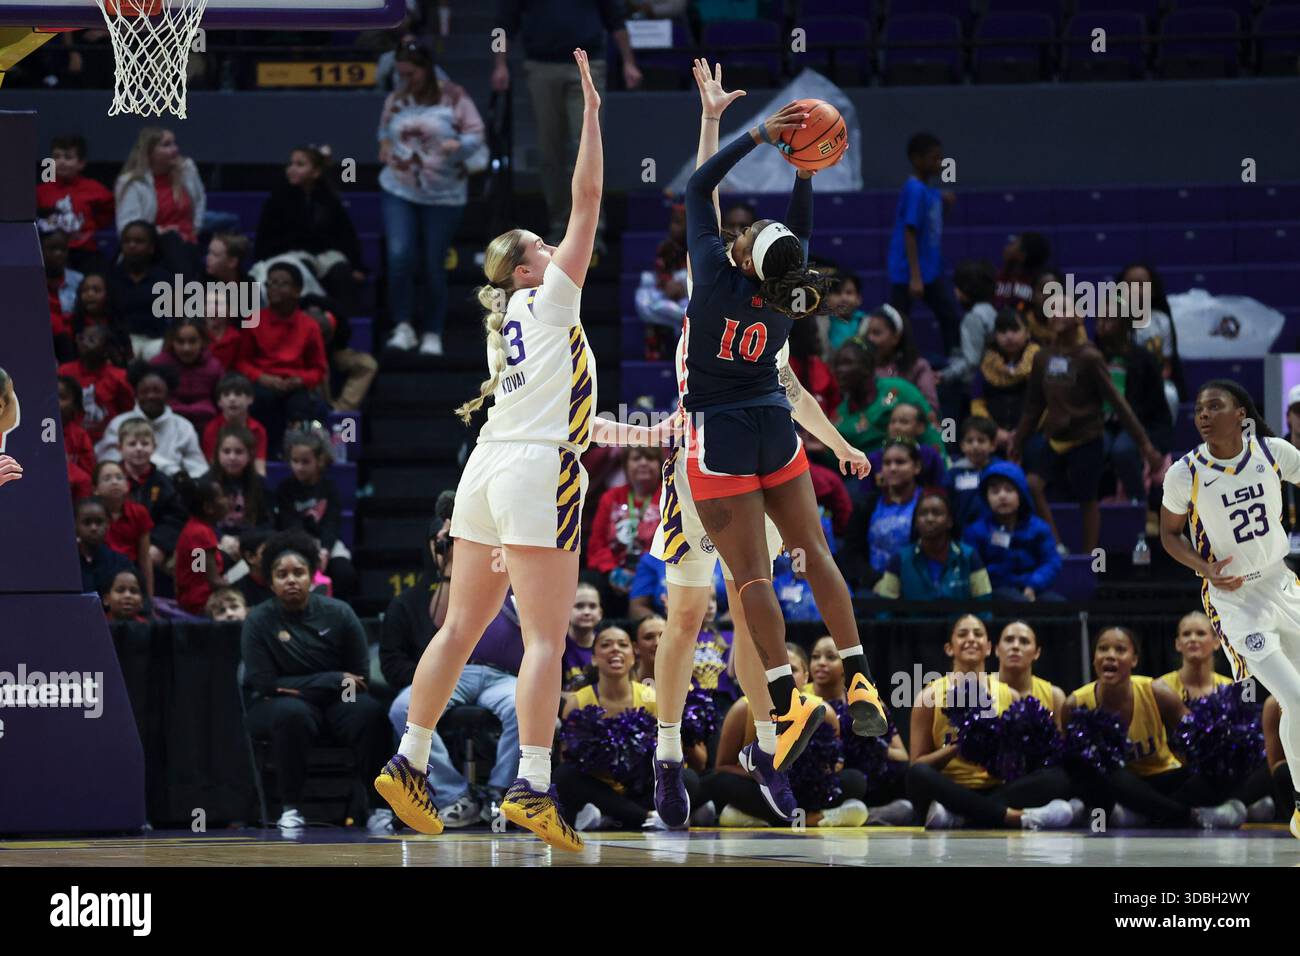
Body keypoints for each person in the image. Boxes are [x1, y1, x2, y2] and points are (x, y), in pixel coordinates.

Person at [375, 51, 671, 851]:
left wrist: (644, 434)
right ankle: (533, 784)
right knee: (544, 639)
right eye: (544, 244)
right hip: (538, 472)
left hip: (489, 467)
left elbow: (570, 419)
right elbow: (587, 196)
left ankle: (409, 760)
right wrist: (593, 118)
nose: (558, 246)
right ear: (530, 266)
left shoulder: (510, 323)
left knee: (460, 628)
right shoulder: (552, 294)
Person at [644, 60, 881, 830]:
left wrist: (836, 441)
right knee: (690, 617)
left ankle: (767, 739)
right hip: (718, 451)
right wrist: (724, 122)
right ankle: (669, 749)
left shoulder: (720, 278)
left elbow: (699, 194)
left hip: (727, 442)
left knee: (750, 608)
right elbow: (712, 203)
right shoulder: (786, 290)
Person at [1159, 378, 1300, 837]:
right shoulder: (1186, 472)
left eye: (1213, 406)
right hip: (1235, 600)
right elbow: (1168, 536)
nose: (1202, 415)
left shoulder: (1273, 452)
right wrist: (1205, 567)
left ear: (1240, 414)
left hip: (1282, 583)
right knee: (1292, 697)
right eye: (1198, 408)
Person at [241, 530, 395, 834]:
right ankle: (290, 808)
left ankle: (378, 808)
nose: (291, 580)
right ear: (270, 581)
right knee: (291, 714)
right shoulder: (258, 621)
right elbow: (264, 683)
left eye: (298, 572)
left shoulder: (339, 613)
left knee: (370, 713)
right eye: (281, 574)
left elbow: (359, 677)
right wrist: (333, 679)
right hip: (280, 703)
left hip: (339, 700)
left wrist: (328, 684)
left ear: (312, 576)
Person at [382, 505, 523, 828]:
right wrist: (449, 568)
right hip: (454, 673)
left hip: (503, 675)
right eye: (447, 541)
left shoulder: (506, 573)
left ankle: (497, 793)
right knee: (402, 708)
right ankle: (453, 796)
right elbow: (437, 626)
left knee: (524, 706)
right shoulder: (417, 597)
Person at [1011, 293, 1162, 555]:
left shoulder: (1090, 357)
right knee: (1033, 485)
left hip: (1086, 438)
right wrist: (1018, 440)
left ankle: (1089, 557)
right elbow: (1033, 407)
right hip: (1055, 437)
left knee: (1087, 500)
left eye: (1064, 309)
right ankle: (1057, 545)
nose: (1057, 313)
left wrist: (1145, 445)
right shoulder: (1042, 357)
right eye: (1052, 309)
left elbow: (1118, 404)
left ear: (1079, 317)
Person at [1061, 626, 1246, 829]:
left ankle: (1143, 815)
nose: (1110, 656)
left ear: (1134, 660)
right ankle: (1189, 817)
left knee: (1218, 771)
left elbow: (1195, 741)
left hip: (1160, 779)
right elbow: (1077, 768)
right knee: (1104, 771)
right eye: (1103, 649)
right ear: (1094, 658)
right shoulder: (1075, 704)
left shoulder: (1156, 692)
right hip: (1114, 785)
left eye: (1120, 650)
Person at [492, 0, 642, 244]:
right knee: (549, 151)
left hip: (588, 64)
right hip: (541, 66)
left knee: (588, 148)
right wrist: (499, 64)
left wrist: (628, 61)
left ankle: (593, 229)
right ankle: (560, 224)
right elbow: (502, 26)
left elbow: (616, 19)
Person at [907, 614, 1074, 830]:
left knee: (1058, 777)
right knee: (916, 775)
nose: (971, 638)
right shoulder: (928, 696)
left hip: (997, 789)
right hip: (950, 789)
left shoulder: (1010, 695)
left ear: (988, 648)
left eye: (978, 634)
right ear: (950, 648)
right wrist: (957, 747)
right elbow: (918, 764)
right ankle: (1015, 818)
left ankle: (960, 818)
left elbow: (1018, 763)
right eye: (962, 634)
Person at [379, 38, 485, 356]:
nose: (404, 80)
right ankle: (402, 326)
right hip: (400, 188)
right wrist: (384, 144)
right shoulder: (397, 97)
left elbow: (476, 134)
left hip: (443, 193)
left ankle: (432, 332)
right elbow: (384, 129)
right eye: (400, 74)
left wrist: (459, 146)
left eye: (410, 74)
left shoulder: (454, 96)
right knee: (399, 257)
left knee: (432, 263)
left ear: (426, 70)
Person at [704, 643, 862, 827]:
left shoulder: (823, 712)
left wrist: (808, 773)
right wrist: (766, 774)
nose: (781, 679)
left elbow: (838, 763)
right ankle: (812, 818)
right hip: (759, 787)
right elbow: (723, 767)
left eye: (791, 671)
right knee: (720, 782)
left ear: (805, 677)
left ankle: (756, 818)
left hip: (806, 789)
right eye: (771, 671)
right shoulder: (743, 708)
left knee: (855, 780)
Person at [555, 626, 687, 831]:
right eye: (606, 645)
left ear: (633, 655)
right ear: (594, 658)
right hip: (597, 787)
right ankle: (648, 817)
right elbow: (567, 759)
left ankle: (611, 817)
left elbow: (670, 753)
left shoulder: (652, 698)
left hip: (639, 787)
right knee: (564, 776)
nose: (615, 650)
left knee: (687, 778)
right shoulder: (577, 702)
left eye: (622, 645)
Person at [808, 635, 913, 825]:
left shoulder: (866, 701)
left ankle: (867, 813)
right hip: (827, 780)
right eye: (816, 657)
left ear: (846, 666)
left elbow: (902, 756)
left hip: (866, 780)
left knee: (907, 774)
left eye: (830, 657)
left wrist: (870, 742)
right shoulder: (802, 697)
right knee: (853, 781)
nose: (821, 663)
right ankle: (854, 815)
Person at [253, 145, 366, 319]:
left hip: (322, 254)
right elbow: (264, 239)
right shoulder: (277, 199)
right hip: (289, 254)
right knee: (302, 268)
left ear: (316, 172)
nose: (292, 169)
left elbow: (345, 234)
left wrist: (357, 265)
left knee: (340, 270)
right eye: (291, 164)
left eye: (300, 164)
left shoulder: (328, 199)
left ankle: (345, 322)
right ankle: (307, 320)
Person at [232, 262, 330, 456]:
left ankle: (297, 454)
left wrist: (300, 380)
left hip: (295, 386)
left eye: (282, 283)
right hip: (263, 383)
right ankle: (262, 453)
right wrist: (262, 378)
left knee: (302, 405)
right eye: (271, 283)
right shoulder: (254, 319)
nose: (274, 288)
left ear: (297, 290)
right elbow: (242, 362)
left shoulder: (309, 326)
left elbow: (318, 369)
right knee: (261, 400)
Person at [886, 132, 961, 356]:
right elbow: (910, 232)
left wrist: (943, 203)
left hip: (928, 269)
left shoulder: (929, 191)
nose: (940, 163)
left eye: (941, 157)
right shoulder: (915, 190)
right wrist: (915, 277)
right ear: (917, 159)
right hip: (909, 272)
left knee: (947, 314)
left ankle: (954, 357)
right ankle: (895, 360)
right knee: (900, 320)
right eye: (934, 158)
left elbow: (931, 226)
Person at [1094, 308, 1173, 504]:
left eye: (1110, 318)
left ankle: (1138, 505)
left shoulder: (1143, 359)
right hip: (1101, 424)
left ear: (1125, 324)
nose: (1103, 324)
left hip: (1140, 425)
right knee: (1094, 447)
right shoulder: (1092, 356)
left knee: (1122, 450)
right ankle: (1091, 506)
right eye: (1100, 319)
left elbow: (1157, 409)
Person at [963, 461, 1062, 602]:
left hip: (1033, 588)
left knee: (1058, 605)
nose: (1002, 496)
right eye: (995, 491)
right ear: (986, 498)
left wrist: (1033, 585)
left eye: (1009, 490)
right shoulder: (975, 531)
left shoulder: (1039, 528)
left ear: (1021, 495)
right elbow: (974, 571)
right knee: (1017, 602)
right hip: (995, 592)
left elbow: (1052, 561)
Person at [275, 429, 356, 599]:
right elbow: (290, 524)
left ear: (318, 461)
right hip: (296, 542)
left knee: (344, 572)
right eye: (295, 461)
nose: (299, 467)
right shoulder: (285, 488)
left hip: (327, 544)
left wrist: (325, 550)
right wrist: (310, 549)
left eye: (305, 462)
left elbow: (332, 523)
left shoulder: (330, 487)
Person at [114, 127, 205, 278]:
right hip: (154, 246)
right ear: (150, 152)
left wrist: (195, 229)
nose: (175, 149)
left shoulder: (187, 170)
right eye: (166, 145)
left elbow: (199, 202)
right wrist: (159, 231)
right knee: (172, 242)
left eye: (174, 143)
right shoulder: (132, 182)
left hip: (188, 242)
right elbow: (126, 226)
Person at [873, 490, 992, 603]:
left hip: (959, 623)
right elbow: (884, 608)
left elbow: (984, 603)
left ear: (950, 521)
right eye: (923, 514)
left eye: (936, 513)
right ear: (915, 523)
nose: (929, 519)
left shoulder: (969, 556)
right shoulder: (899, 559)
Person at [586, 446, 663, 613]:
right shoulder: (611, 497)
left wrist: (644, 571)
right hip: (614, 573)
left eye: (650, 459)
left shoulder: (668, 495)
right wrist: (612, 570)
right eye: (636, 459)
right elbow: (597, 544)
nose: (643, 463)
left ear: (660, 464)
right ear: (626, 465)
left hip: (655, 571)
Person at [96, 363, 207, 479]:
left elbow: (198, 468)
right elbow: (107, 463)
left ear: (168, 394)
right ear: (136, 394)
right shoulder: (118, 424)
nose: (150, 396)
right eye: (145, 391)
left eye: (157, 391)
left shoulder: (183, 427)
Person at [833, 340, 941, 455]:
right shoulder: (839, 416)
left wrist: (934, 466)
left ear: (867, 366)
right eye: (837, 364)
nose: (839, 370)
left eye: (847, 363)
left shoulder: (899, 390)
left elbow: (931, 430)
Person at [36, 133, 115, 274]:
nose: (61, 162)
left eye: (67, 157)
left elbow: (108, 214)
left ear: (81, 163)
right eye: (57, 156)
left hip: (84, 252)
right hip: (49, 254)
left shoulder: (95, 189)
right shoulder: (42, 191)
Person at [119, 417, 186, 576]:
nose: (139, 449)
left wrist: (159, 545)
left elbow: (175, 518)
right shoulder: (112, 478)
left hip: (154, 547)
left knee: (196, 555)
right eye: (132, 444)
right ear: (120, 447)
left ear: (154, 447)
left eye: (145, 443)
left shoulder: (164, 483)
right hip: (118, 545)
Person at [1120, 262, 1184, 424]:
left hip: (1155, 381)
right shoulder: (1114, 321)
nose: (1135, 290)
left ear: (1153, 290)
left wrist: (1154, 381)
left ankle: (1163, 443)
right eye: (1129, 285)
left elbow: (1167, 364)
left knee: (1169, 394)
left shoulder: (1161, 321)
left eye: (1141, 285)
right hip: (1121, 381)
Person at [970, 308, 1038, 455]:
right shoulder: (987, 364)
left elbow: (1046, 404)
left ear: (1027, 333)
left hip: (1033, 434)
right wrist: (994, 431)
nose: (1008, 336)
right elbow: (977, 403)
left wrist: (1021, 433)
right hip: (994, 436)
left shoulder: (1040, 361)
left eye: (1014, 330)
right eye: (1002, 331)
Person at [59, 324, 134, 446]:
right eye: (82, 338)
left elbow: (127, 411)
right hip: (72, 438)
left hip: (108, 439)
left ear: (105, 350)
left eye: (91, 340)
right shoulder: (64, 371)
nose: (84, 343)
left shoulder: (119, 376)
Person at [109, 221, 173, 361]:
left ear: (151, 247)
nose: (132, 245)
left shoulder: (165, 279)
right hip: (122, 342)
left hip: (156, 340)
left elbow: (177, 318)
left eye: (139, 241)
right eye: (127, 241)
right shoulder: (110, 278)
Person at [861, 304, 939, 416]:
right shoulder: (863, 368)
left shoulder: (918, 367)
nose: (870, 339)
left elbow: (930, 408)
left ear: (895, 338)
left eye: (876, 333)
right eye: (868, 333)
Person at [150, 317, 224, 435]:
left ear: (203, 341)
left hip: (205, 427)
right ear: (171, 341)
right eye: (180, 341)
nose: (186, 348)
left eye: (192, 341)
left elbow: (221, 404)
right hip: (166, 428)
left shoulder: (214, 367)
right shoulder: (158, 365)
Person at [92, 460, 154, 600]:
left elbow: (145, 558)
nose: (114, 482)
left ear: (127, 485)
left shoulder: (139, 513)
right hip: (100, 574)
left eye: (119, 478)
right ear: (95, 488)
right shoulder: (90, 515)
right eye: (107, 478)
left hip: (130, 574)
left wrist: (149, 598)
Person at [174, 474, 230, 615]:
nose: (226, 501)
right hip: (200, 602)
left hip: (192, 597)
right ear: (209, 508)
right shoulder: (201, 534)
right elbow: (213, 581)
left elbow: (198, 571)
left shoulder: (195, 528)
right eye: (222, 497)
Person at [994, 620, 1065, 725]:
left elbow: (1062, 739)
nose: (1015, 646)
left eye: (1024, 641)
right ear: (997, 650)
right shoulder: (981, 689)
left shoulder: (1054, 696)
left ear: (1037, 653)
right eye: (1009, 640)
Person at [941, 258, 998, 388]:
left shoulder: (973, 318)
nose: (955, 291)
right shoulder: (991, 311)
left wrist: (944, 375)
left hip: (977, 387)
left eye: (957, 287)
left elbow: (971, 361)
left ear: (966, 290)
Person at [1154, 611, 1233, 703]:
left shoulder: (1230, 689)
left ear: (1216, 642)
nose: (1193, 639)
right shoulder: (1161, 687)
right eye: (1186, 634)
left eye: (1201, 633)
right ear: (1178, 644)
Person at [202, 374, 267, 476]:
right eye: (226, 395)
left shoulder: (258, 430)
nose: (232, 399)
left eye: (238, 394)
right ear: (219, 402)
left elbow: (259, 465)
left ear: (250, 399)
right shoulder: (212, 428)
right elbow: (212, 464)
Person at [944, 416, 997, 530]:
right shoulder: (954, 473)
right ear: (962, 446)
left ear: (992, 445)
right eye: (969, 441)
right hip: (963, 532)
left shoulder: (1000, 470)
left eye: (981, 440)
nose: (975, 446)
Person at [70, 271, 132, 367]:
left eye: (96, 290)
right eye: (85, 290)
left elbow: (127, 357)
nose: (90, 294)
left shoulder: (118, 324)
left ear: (108, 295)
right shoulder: (73, 324)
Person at [75, 496, 132, 596]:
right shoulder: (66, 563)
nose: (93, 528)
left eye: (99, 522)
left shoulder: (121, 563)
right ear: (75, 525)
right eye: (87, 522)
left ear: (108, 525)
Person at [41, 225, 83, 362]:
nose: (58, 254)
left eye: (62, 249)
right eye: (52, 249)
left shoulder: (79, 280)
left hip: (72, 340)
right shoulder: (30, 282)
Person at [993, 232, 1050, 311]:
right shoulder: (995, 278)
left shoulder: (1038, 288)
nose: (1006, 247)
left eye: (1012, 244)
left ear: (1022, 256)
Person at [564, 582, 603, 690]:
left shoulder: (607, 645)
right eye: (579, 606)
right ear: (566, 610)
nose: (586, 612)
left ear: (600, 613)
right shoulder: (557, 645)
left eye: (592, 606)